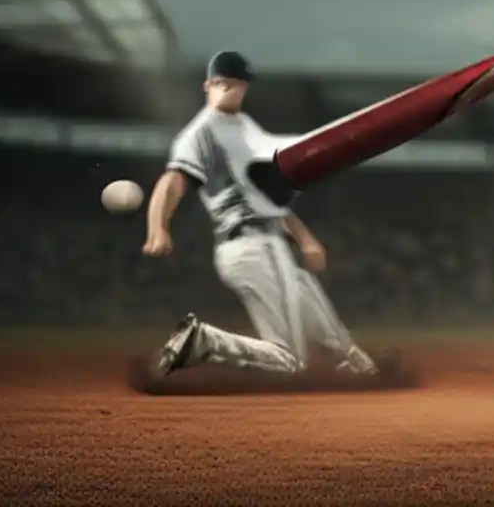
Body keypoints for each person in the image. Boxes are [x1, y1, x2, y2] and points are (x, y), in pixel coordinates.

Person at [141, 50, 379, 378]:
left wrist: (304, 238)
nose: (231, 89)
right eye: (223, 83)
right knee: (289, 359)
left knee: (302, 287)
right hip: (253, 244)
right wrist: (158, 227)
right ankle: (205, 341)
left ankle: (349, 357)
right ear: (207, 85)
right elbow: (172, 182)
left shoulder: (244, 128)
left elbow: (264, 196)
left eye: (237, 84)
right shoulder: (203, 131)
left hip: (260, 242)